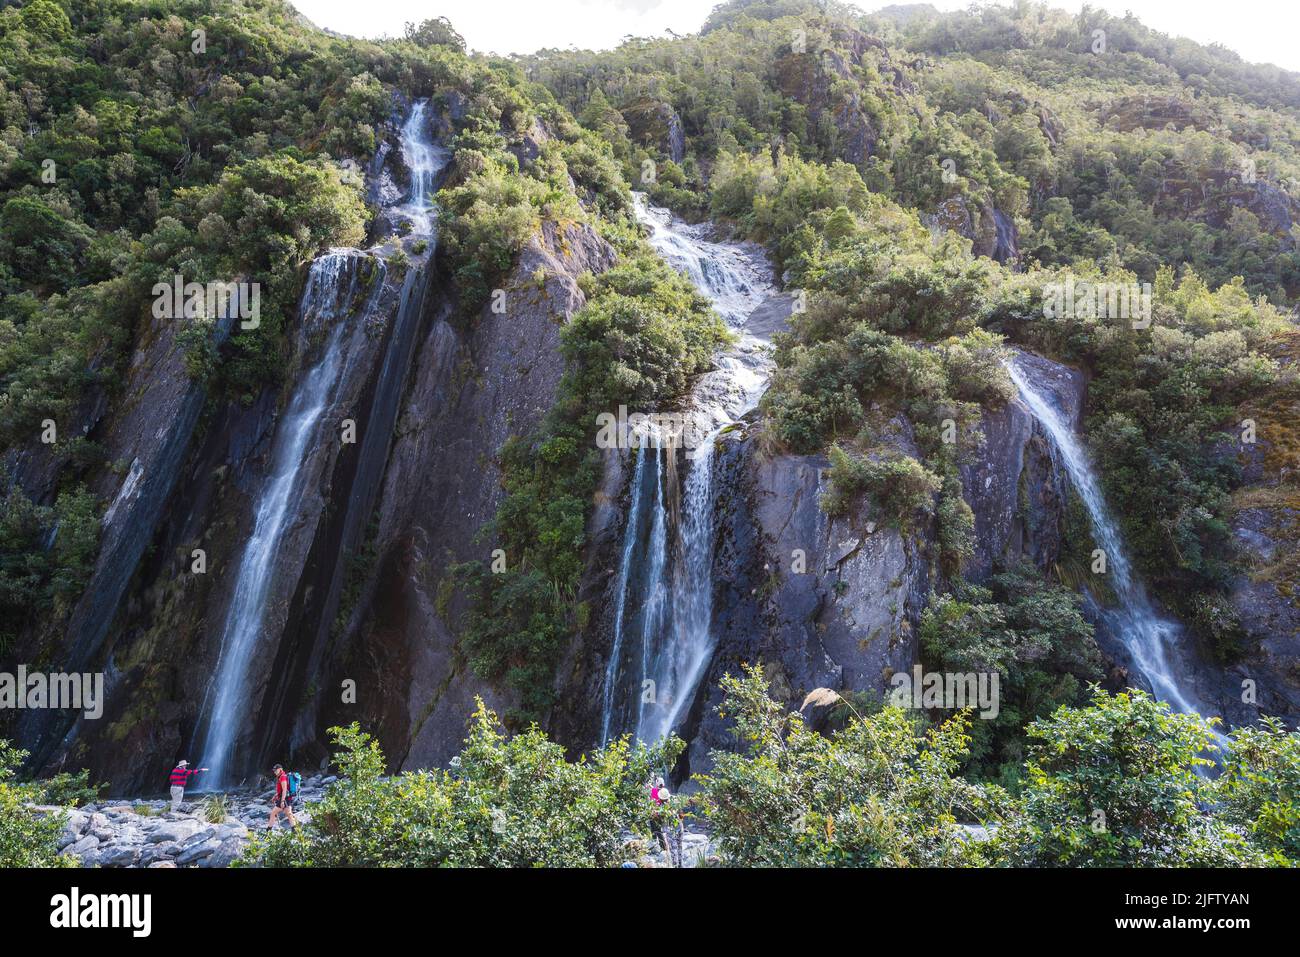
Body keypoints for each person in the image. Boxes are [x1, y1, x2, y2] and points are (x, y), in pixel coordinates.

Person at [648, 776, 672, 861]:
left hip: (654, 814)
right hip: (661, 815)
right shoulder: (664, 792)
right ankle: (661, 847)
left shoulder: (654, 791)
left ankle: (658, 847)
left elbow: (652, 790)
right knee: (658, 831)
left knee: (655, 831)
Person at [267, 763, 298, 830]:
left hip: (284, 798)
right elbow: (281, 790)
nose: (275, 772)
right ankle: (295, 830)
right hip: (287, 798)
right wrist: (275, 796)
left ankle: (268, 831)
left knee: (273, 813)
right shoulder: (281, 776)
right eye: (274, 770)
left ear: (280, 769)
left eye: (276, 770)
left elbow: (284, 789)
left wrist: (282, 801)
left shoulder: (283, 777)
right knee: (289, 814)